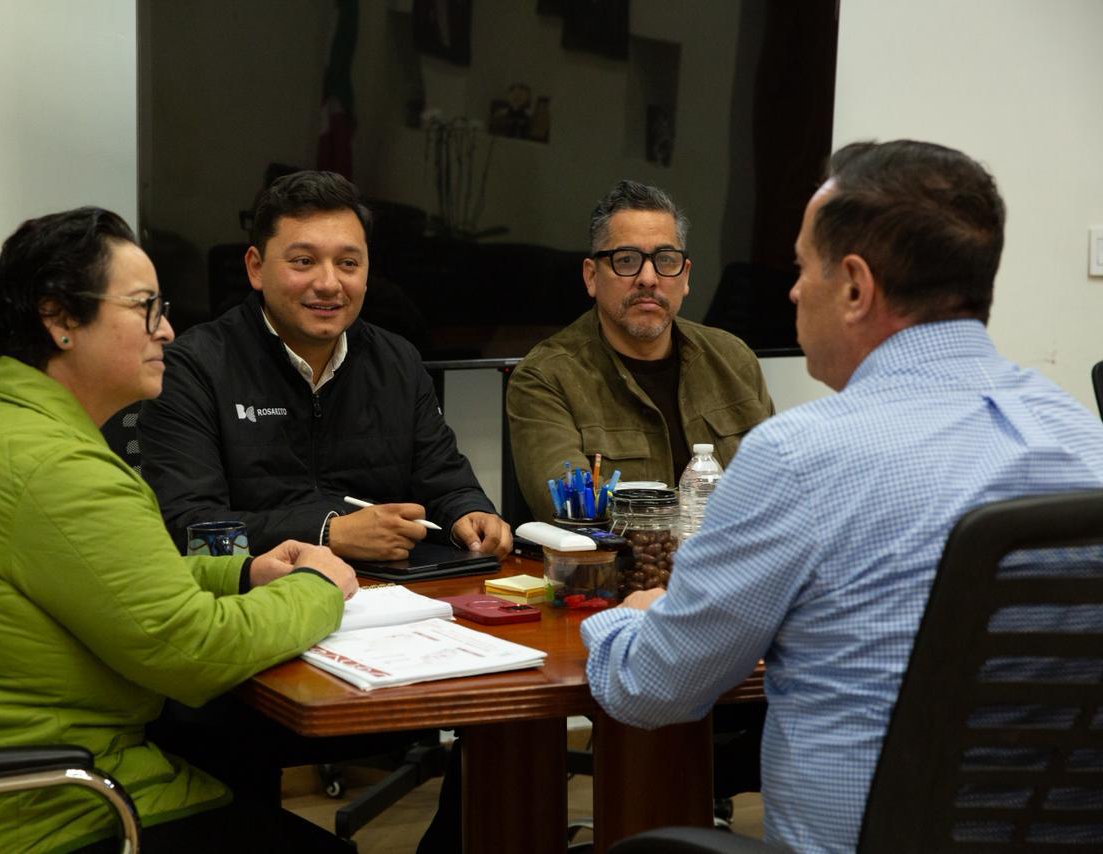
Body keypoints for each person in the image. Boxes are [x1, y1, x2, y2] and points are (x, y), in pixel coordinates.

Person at [581, 140, 1103, 852]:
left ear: (855, 287)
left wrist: (624, 620)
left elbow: (655, 690)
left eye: (802, 267)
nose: (793, 291)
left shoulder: (800, 458)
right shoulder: (1083, 437)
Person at [0, 208, 358, 852]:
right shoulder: (54, 464)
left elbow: (104, 580)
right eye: (144, 307)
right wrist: (316, 585)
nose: (167, 329)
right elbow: (191, 652)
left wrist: (243, 571)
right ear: (60, 319)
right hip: (9, 809)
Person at [138, 170, 511, 561]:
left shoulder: (398, 361)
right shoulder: (192, 369)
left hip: (392, 599)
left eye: (348, 263)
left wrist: (469, 512)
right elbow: (189, 529)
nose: (330, 283)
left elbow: (446, 482)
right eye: (304, 261)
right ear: (255, 267)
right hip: (258, 600)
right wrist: (326, 533)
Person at [506, 179, 773, 521]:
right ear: (591, 277)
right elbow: (572, 515)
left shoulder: (734, 358)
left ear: (685, 276)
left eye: (665, 259)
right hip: (620, 571)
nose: (648, 278)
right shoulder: (545, 378)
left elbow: (778, 489)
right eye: (627, 260)